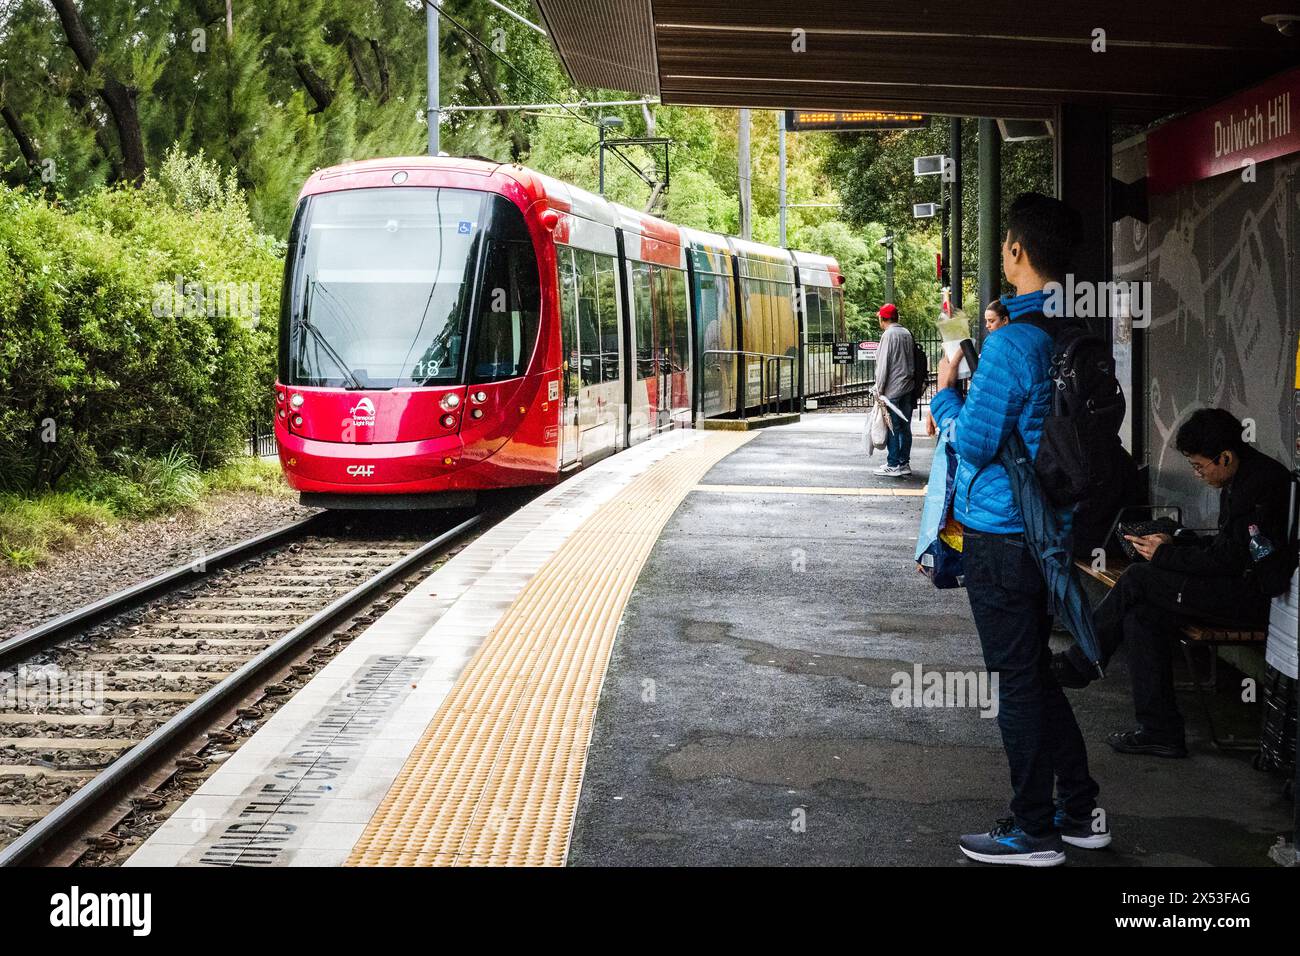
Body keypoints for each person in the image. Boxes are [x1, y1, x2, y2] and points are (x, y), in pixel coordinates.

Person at [930, 192, 1103, 867]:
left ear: (1016, 252)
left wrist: (946, 391)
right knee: (1035, 674)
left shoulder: (1010, 344)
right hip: (1048, 532)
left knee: (1017, 682)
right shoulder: (1076, 336)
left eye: (1005, 243)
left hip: (1001, 535)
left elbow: (972, 443)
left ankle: (1032, 830)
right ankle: (1082, 811)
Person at [1053, 408, 1297, 758]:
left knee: (1137, 577)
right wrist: (1176, 543)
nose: (1198, 475)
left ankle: (1082, 661)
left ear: (1225, 456)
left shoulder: (1258, 487)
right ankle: (1159, 730)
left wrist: (1164, 557)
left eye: (1200, 467)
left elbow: (1230, 561)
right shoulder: (1243, 477)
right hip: (1235, 587)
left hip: (1251, 599)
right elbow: (1226, 548)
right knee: (1142, 614)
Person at [873, 303, 915, 477]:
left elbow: (883, 365)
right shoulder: (907, 333)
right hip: (908, 386)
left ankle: (893, 464)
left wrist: (879, 389)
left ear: (883, 319)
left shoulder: (888, 335)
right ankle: (904, 463)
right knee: (905, 427)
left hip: (892, 389)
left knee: (892, 427)